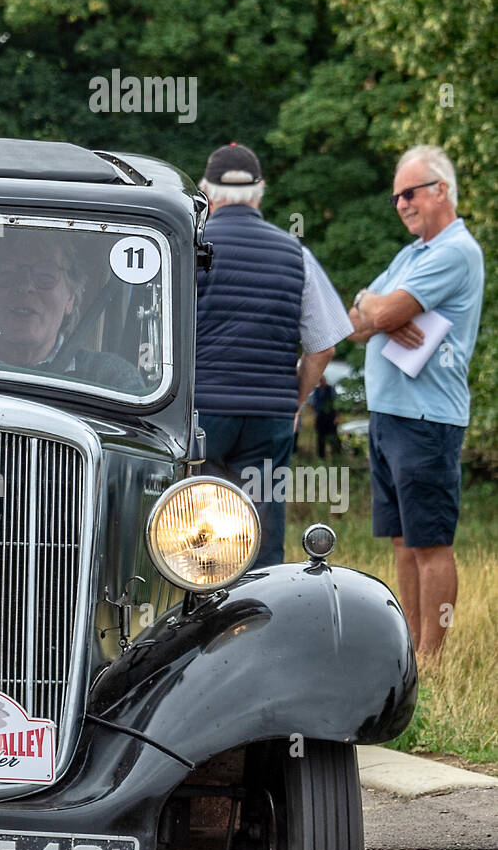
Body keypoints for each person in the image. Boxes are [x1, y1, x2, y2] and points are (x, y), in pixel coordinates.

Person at [347, 145, 485, 662]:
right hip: (391, 416)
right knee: (403, 542)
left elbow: (378, 316)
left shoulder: (454, 251)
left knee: (429, 542)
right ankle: (410, 654)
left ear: (441, 191)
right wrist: (372, 306)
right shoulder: (412, 254)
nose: (401, 203)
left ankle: (432, 659)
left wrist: (378, 309)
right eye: (395, 196)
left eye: (410, 192)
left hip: (426, 418)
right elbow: (356, 323)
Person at [194, 143, 353, 566]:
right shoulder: (295, 254)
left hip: (202, 414)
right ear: (259, 194)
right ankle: (256, 618)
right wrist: (294, 400)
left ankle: (197, 620)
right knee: (260, 534)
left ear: (206, 194)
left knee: (196, 530)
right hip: (269, 417)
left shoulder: (189, 248)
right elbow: (324, 345)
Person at [0, 230, 146, 393]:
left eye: (46, 275)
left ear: (70, 298)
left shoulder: (111, 380)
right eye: (6, 272)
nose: (25, 286)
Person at [310, 375, 339, 459]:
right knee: (320, 437)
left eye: (323, 380)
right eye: (320, 380)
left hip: (330, 416)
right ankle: (321, 456)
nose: (321, 382)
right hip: (320, 416)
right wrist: (314, 415)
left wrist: (337, 417)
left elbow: (336, 404)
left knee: (333, 436)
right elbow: (313, 404)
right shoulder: (316, 391)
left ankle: (335, 455)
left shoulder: (331, 389)